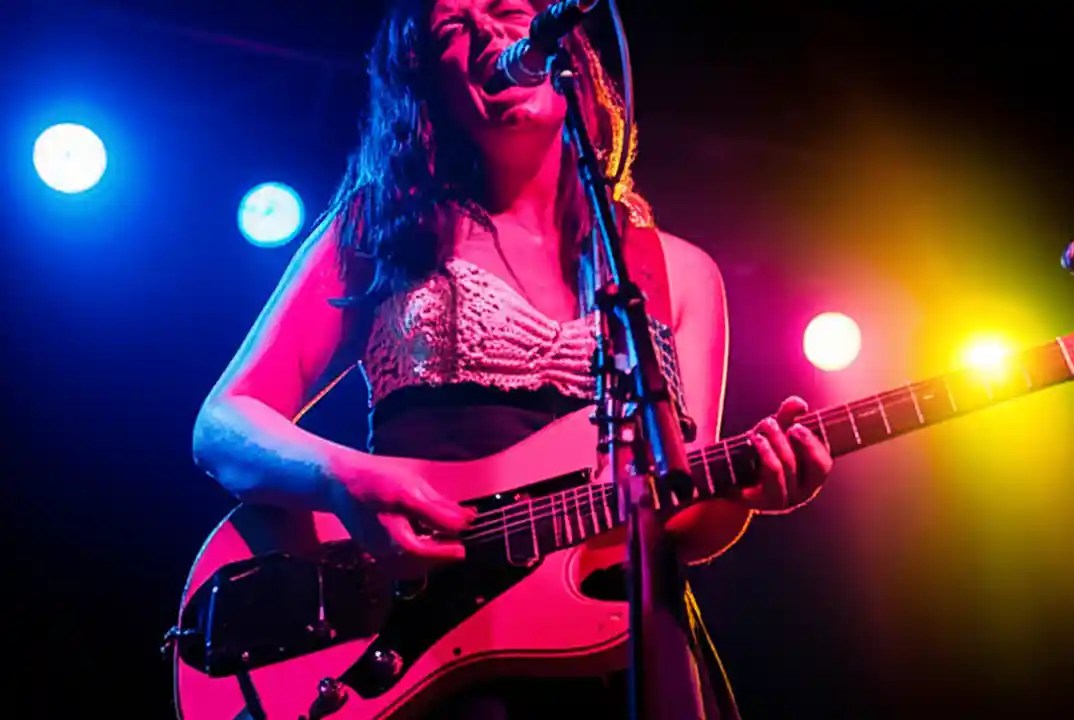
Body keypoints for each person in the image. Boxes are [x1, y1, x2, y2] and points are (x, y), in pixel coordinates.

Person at [190, 0, 834, 717]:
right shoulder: (380, 231)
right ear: (425, 83)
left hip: (622, 647)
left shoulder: (678, 271)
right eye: (452, 31)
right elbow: (223, 425)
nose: (493, 36)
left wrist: (749, 493)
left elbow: (680, 513)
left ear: (570, 55)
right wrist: (345, 477)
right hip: (430, 651)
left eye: (509, 9)